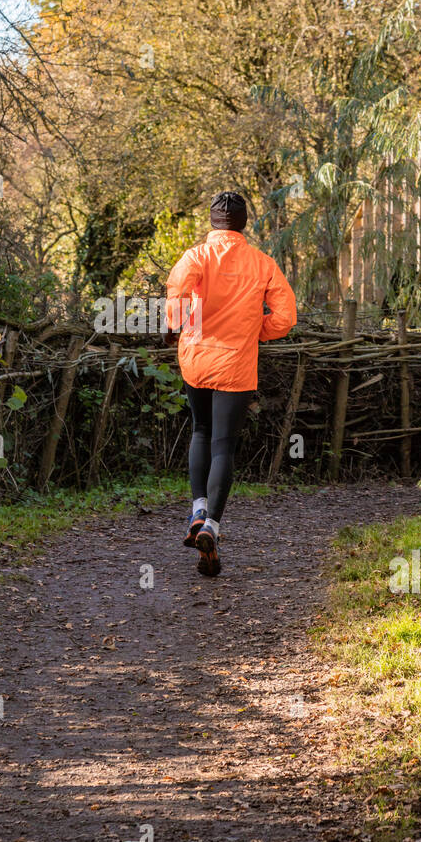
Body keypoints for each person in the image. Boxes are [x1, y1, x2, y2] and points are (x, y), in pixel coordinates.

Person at [164, 191, 297, 576]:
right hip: (237, 364)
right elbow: (285, 317)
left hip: (197, 360)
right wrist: (257, 330)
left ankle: (198, 510)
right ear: (242, 223)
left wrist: (181, 326)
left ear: (212, 222)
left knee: (200, 431)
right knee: (224, 444)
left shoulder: (195, 257)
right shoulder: (262, 263)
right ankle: (212, 527)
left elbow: (176, 299)